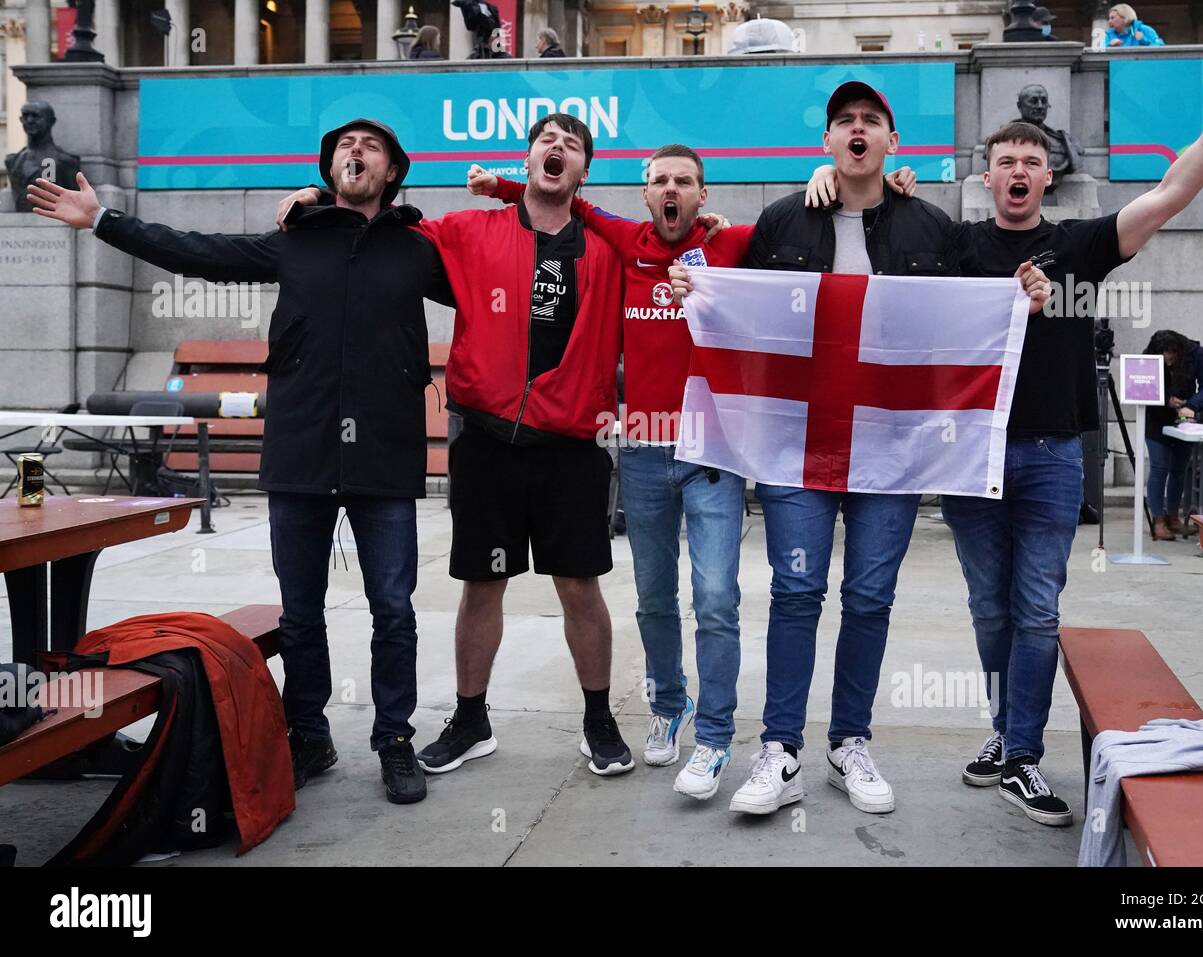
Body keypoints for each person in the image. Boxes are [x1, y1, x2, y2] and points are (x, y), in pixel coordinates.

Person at [29, 119, 453, 806]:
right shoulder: (293, 243)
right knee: (300, 613)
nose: (356, 151)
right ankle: (308, 733)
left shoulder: (417, 251)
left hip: (383, 454)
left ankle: (394, 740)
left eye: (371, 146)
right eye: (345, 145)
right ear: (327, 170)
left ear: (394, 170)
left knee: (394, 609)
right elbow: (194, 250)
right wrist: (103, 220)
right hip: (300, 452)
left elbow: (503, 279)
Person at [471, 151, 916, 802]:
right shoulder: (627, 241)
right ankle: (669, 704)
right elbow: (570, 201)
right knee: (654, 597)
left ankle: (712, 737)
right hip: (647, 455)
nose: (672, 190)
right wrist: (501, 185)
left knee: (714, 599)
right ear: (646, 196)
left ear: (702, 193)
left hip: (714, 454)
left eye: (684, 180)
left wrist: (869, 184)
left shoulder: (731, 242)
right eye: (660, 181)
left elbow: (802, 225)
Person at [942, 34, 1203, 827]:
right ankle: (1005, 729)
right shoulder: (956, 246)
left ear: (1049, 176)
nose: (1017, 171)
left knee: (1038, 607)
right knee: (989, 608)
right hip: (970, 454)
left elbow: (1173, 192)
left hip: (1052, 453)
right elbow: (872, 246)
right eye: (1004, 161)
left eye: (1030, 161)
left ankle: (1021, 755)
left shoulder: (1080, 244)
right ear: (987, 177)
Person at [670, 82, 1003, 819]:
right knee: (795, 594)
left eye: (870, 122)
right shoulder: (787, 218)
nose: (857, 130)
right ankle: (780, 746)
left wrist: (1024, 297)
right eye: (844, 122)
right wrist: (695, 284)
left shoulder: (930, 227)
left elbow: (962, 322)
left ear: (892, 143)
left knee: (870, 596)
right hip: (797, 445)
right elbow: (743, 311)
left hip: (892, 448)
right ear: (828, 142)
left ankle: (849, 740)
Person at [277, 114, 633, 778]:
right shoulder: (470, 231)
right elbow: (377, 227)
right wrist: (322, 198)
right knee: (481, 584)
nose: (556, 149)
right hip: (487, 442)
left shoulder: (608, 246)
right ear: (526, 160)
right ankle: (471, 719)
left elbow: (677, 244)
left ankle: (598, 718)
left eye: (572, 145)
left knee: (579, 586)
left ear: (584, 171)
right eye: (545, 141)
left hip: (573, 446)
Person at [1144, 330, 1203, 540]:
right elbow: (1144, 387)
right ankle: (1158, 520)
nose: (1168, 361)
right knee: (1159, 467)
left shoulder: (1195, 353)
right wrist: (1166, 399)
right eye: (1163, 356)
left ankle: (1173, 517)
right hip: (1157, 419)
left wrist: (1192, 405)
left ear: (1178, 351)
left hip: (1185, 418)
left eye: (1171, 356)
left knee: (1179, 469)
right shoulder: (1147, 357)